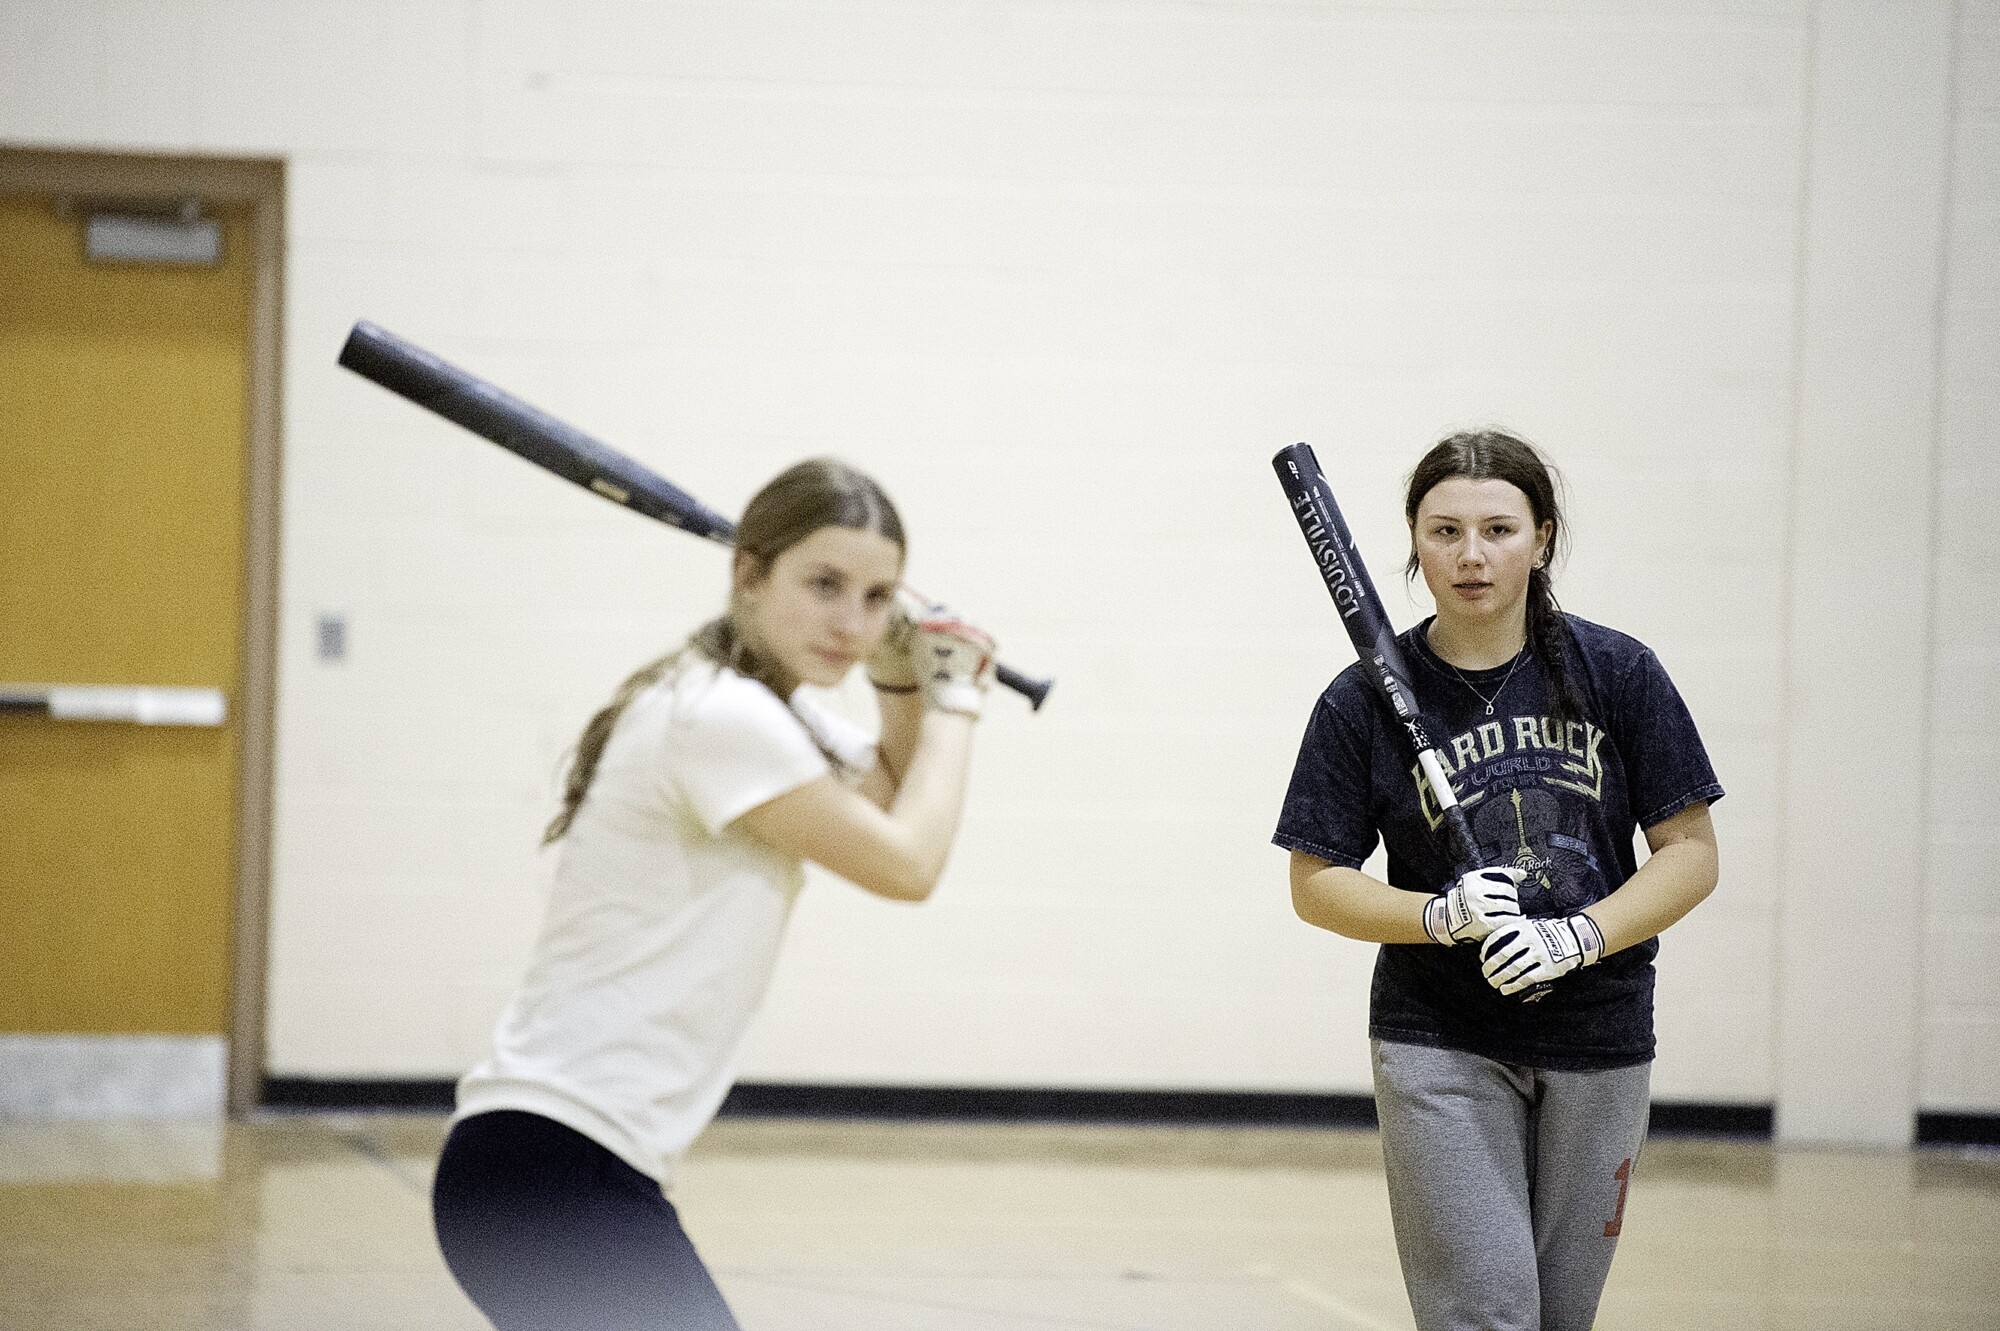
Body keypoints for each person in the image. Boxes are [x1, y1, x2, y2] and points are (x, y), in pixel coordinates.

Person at [430, 457, 997, 1331]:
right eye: (824, 584)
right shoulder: (721, 718)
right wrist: (955, 697)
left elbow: (889, 791)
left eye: (879, 598)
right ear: (749, 573)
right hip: (548, 1167)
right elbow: (907, 863)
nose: (851, 620)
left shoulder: (765, 714)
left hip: (555, 1169)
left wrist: (897, 680)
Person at [1273, 429, 1722, 1331]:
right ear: (1412, 540)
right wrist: (1437, 914)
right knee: (1486, 1315)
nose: (1471, 555)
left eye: (1498, 529)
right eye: (1444, 531)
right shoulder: (1359, 700)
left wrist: (1580, 933)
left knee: (1559, 1319)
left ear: (1543, 537)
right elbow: (1316, 881)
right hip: (1441, 1035)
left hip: (1599, 1032)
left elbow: (1691, 852)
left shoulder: (1618, 673)